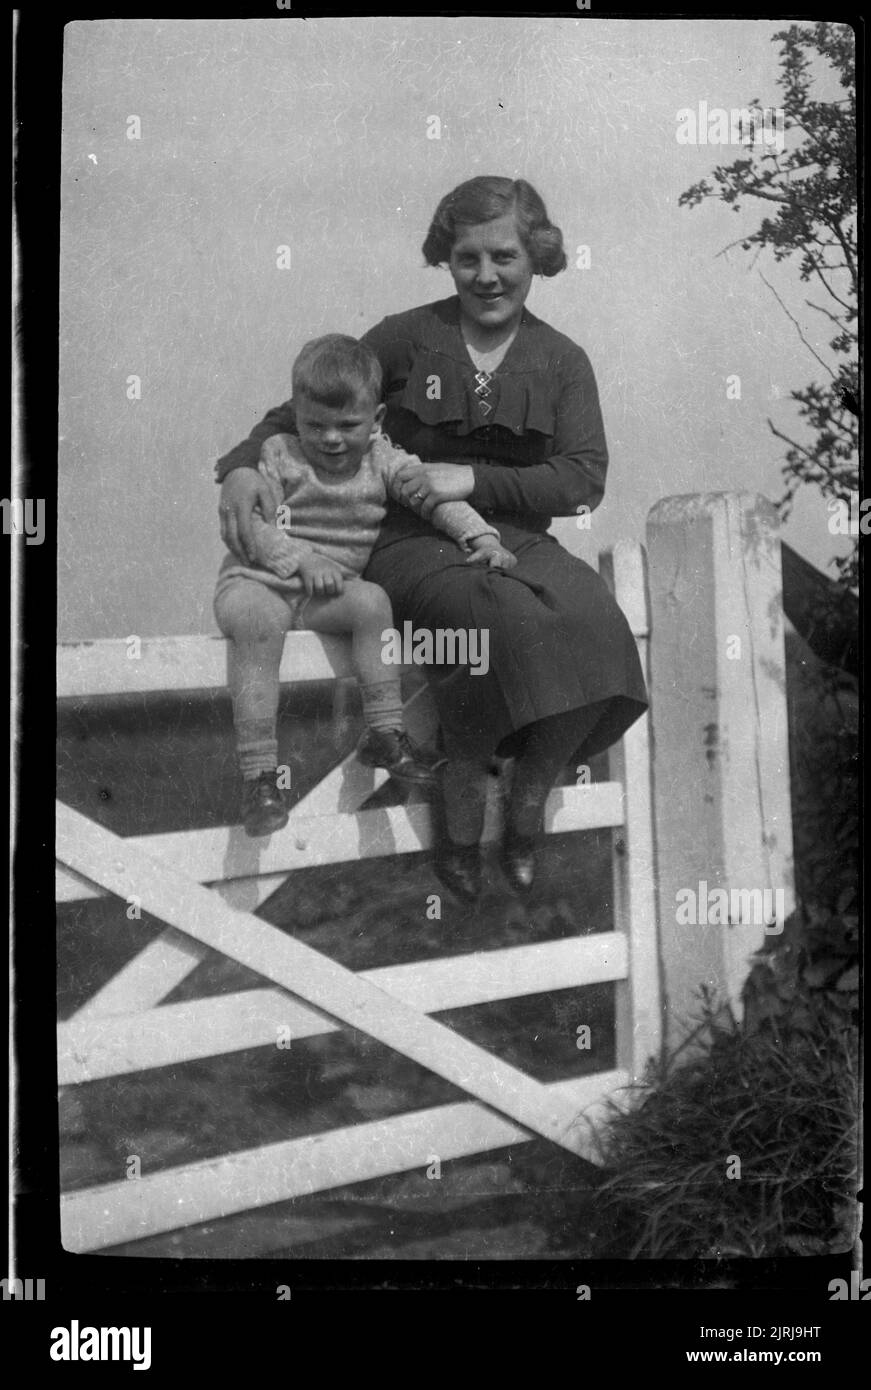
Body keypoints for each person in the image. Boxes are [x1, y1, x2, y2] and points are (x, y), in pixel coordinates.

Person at [216, 176, 648, 895]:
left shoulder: (562, 360)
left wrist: (470, 481)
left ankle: (530, 795)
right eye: (466, 258)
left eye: (503, 257)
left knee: (599, 622)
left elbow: (580, 479)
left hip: (513, 538)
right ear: (445, 260)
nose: (486, 277)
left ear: (535, 255)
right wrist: (237, 469)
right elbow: (305, 408)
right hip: (409, 543)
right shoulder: (406, 337)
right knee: (492, 618)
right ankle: (459, 807)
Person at [214, 332, 516, 837]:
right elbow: (254, 528)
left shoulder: (384, 459)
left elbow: (433, 498)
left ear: (375, 421)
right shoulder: (279, 453)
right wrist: (301, 558)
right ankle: (260, 777)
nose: (331, 439)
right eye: (315, 425)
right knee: (257, 620)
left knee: (373, 600)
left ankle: (385, 733)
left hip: (322, 596)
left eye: (347, 426)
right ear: (296, 417)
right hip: (259, 580)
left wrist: (480, 535)